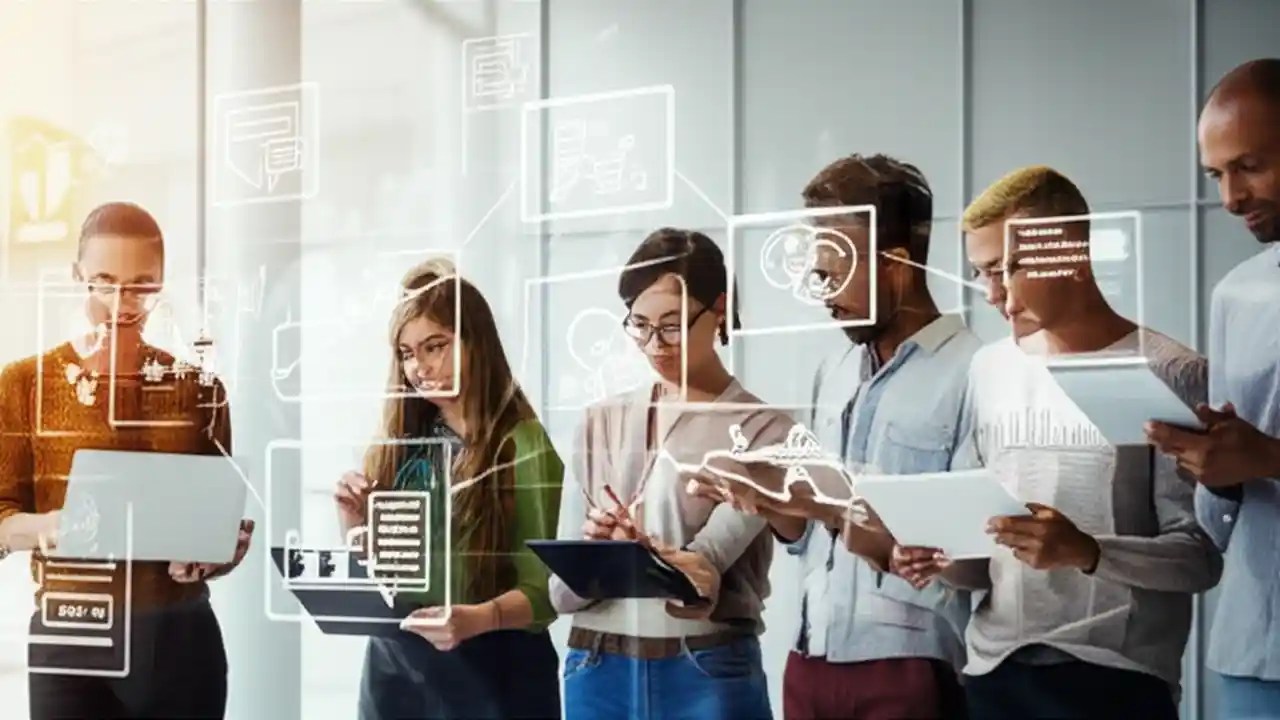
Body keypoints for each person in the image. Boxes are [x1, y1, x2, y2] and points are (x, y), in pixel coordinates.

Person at [900, 166, 1222, 719]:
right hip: (992, 675)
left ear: (1069, 251)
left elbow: (1199, 559)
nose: (994, 293)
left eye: (1010, 268)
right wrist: (943, 558)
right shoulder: (990, 368)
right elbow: (991, 559)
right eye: (982, 272)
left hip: (1115, 684)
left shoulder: (1172, 373)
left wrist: (1087, 551)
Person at [697, 154, 980, 719]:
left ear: (895, 263)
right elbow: (808, 536)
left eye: (832, 272)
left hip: (910, 665)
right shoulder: (834, 371)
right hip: (810, 656)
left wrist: (835, 511)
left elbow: (972, 554)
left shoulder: (972, 371)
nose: (820, 289)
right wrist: (775, 501)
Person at [0, 202, 252, 719]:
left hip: (178, 637)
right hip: (69, 632)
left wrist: (215, 554)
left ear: (161, 283)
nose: (121, 302)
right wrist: (61, 527)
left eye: (140, 284)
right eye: (104, 282)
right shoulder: (23, 386)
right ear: (77, 277)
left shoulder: (198, 390)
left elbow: (219, 529)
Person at [550, 228, 790, 720]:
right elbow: (559, 593)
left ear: (718, 309)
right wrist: (599, 553)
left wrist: (642, 556)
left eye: (672, 325)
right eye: (639, 325)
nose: (654, 344)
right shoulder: (600, 419)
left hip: (704, 668)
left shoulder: (766, 430)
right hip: (596, 667)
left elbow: (701, 575)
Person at [335, 259, 563, 719]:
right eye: (406, 353)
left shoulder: (523, 444)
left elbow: (542, 593)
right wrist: (353, 522)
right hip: (395, 668)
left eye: (434, 346)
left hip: (492, 669)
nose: (418, 367)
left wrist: (476, 620)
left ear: (475, 343)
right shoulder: (399, 444)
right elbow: (385, 577)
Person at [1147, 57, 1280, 718]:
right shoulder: (1237, 297)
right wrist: (1218, 475)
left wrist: (1271, 459)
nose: (1230, 199)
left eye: (1250, 166)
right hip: (1253, 653)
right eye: (1216, 175)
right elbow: (1218, 527)